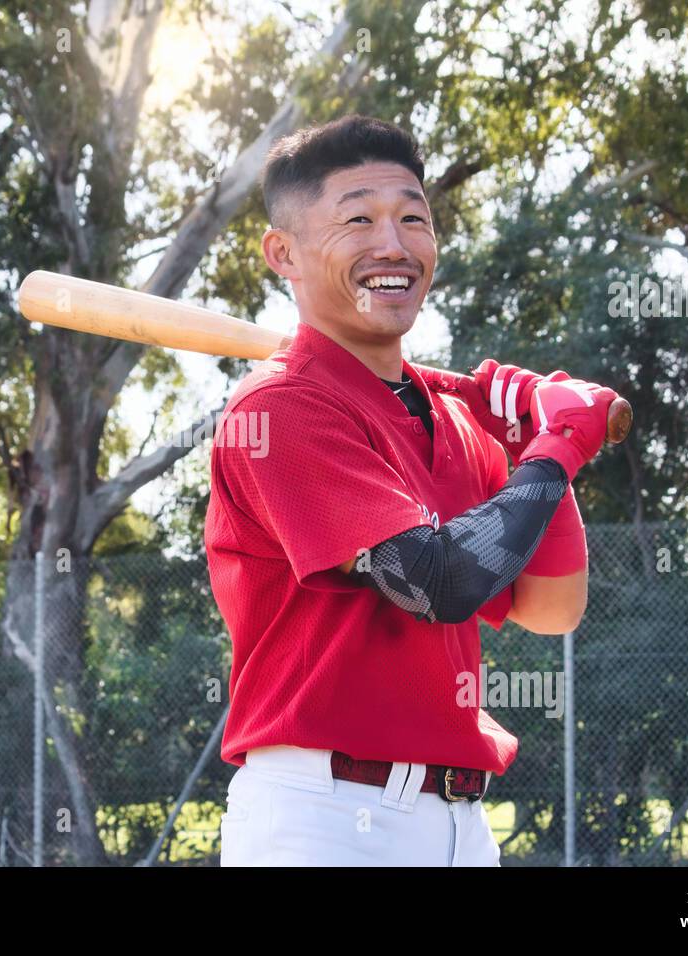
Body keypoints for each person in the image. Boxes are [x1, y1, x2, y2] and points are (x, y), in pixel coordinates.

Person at [204, 114, 620, 866]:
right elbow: (435, 580)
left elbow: (552, 608)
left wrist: (531, 446)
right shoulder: (280, 408)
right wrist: (559, 449)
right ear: (283, 253)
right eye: (357, 218)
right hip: (322, 818)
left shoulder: (456, 426)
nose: (393, 245)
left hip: (458, 821)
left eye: (413, 219)